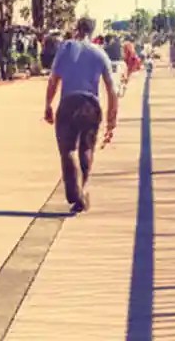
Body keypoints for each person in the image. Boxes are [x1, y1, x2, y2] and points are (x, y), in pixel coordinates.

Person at [44, 17, 119, 214]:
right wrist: (112, 119)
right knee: (86, 149)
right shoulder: (100, 53)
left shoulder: (66, 48)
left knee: (68, 150)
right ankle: (81, 190)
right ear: (93, 33)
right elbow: (112, 90)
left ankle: (74, 192)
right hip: (90, 106)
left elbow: (53, 80)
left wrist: (48, 104)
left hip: (68, 103)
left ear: (77, 29)